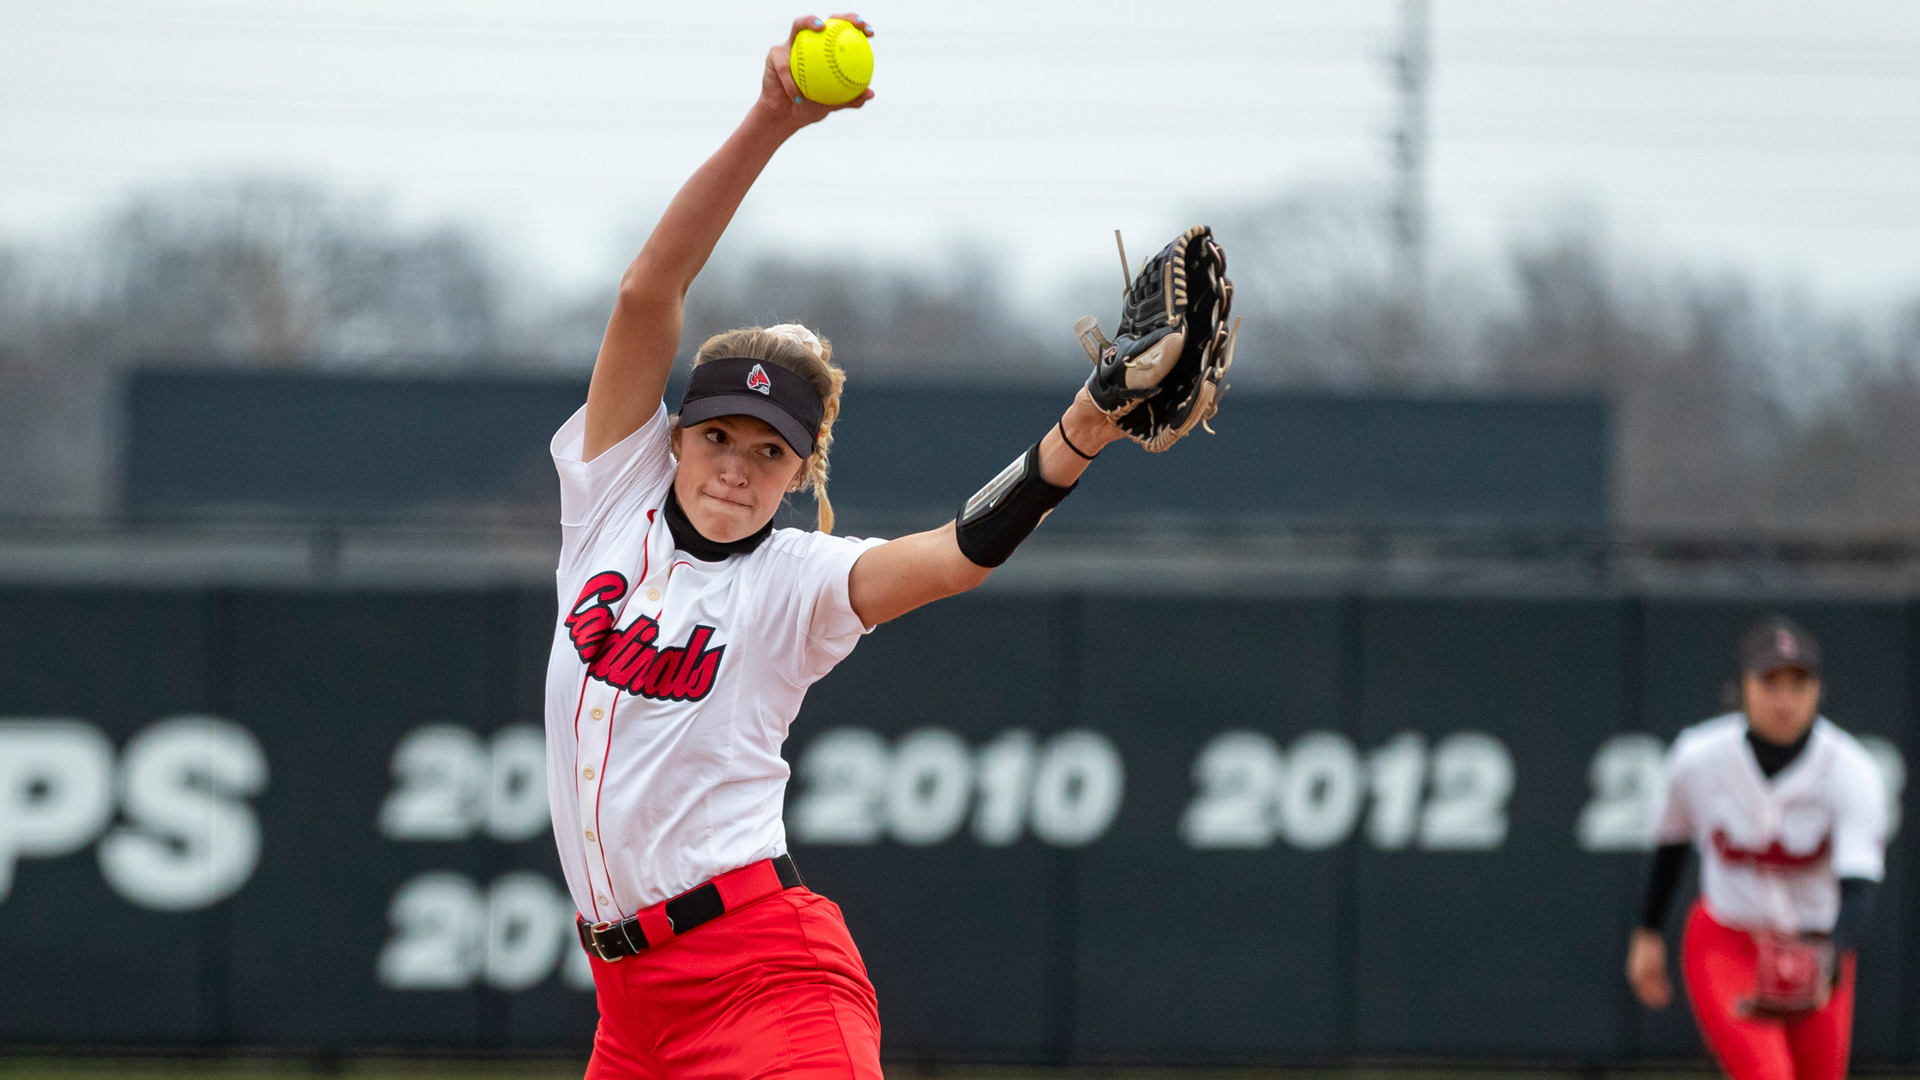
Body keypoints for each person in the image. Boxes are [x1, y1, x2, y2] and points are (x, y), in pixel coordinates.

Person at [541, 15, 1139, 1079]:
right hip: (629, 1015)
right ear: (673, 439)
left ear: (799, 473)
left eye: (767, 451)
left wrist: (1078, 435)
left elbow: (957, 553)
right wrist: (771, 120)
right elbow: (647, 294)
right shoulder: (606, 505)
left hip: (764, 978)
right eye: (716, 436)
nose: (735, 466)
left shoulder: (797, 584)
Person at [1628, 615, 1888, 1080]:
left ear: (1819, 690)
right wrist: (1648, 933)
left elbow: (1860, 886)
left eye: (1798, 683)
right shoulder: (1698, 756)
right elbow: (1671, 846)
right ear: (1742, 687)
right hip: (1729, 941)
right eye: (1770, 682)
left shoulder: (1851, 769)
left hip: (1818, 945)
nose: (1784, 699)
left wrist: (1830, 954)